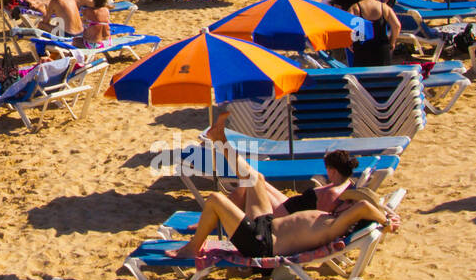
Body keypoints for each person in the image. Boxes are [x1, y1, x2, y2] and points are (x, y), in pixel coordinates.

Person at [167, 112, 399, 261]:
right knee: (255, 178)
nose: (345, 201)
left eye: (349, 201)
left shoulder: (337, 224)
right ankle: (220, 140)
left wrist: (385, 221)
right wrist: (385, 213)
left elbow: (363, 209)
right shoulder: (333, 217)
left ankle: (192, 247)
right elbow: (364, 207)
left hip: (262, 244)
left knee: (216, 199)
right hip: (265, 226)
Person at [222, 149, 359, 217]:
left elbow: (318, 221)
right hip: (289, 205)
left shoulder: (331, 194)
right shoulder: (347, 185)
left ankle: (219, 217)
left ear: (333, 171)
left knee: (247, 184)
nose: (327, 173)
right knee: (257, 178)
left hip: (286, 216)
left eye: (327, 169)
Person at [349, 0, 401, 67]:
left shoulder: (355, 8)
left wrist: (350, 43)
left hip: (362, 48)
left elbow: (348, 27)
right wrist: (392, 42)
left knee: (362, 78)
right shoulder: (384, 7)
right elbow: (397, 26)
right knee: (382, 78)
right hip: (381, 47)